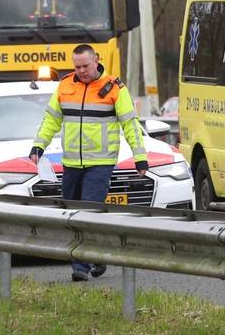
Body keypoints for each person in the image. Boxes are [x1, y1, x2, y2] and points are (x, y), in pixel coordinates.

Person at [29, 44, 147, 282]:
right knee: (72, 214)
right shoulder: (65, 85)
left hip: (100, 163)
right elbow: (51, 120)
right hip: (71, 162)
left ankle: (80, 266)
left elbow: (131, 125)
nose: (81, 70)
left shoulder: (115, 89)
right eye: (77, 66)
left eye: (85, 65)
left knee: (89, 211)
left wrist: (140, 157)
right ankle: (98, 255)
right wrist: (38, 145)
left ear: (96, 61)